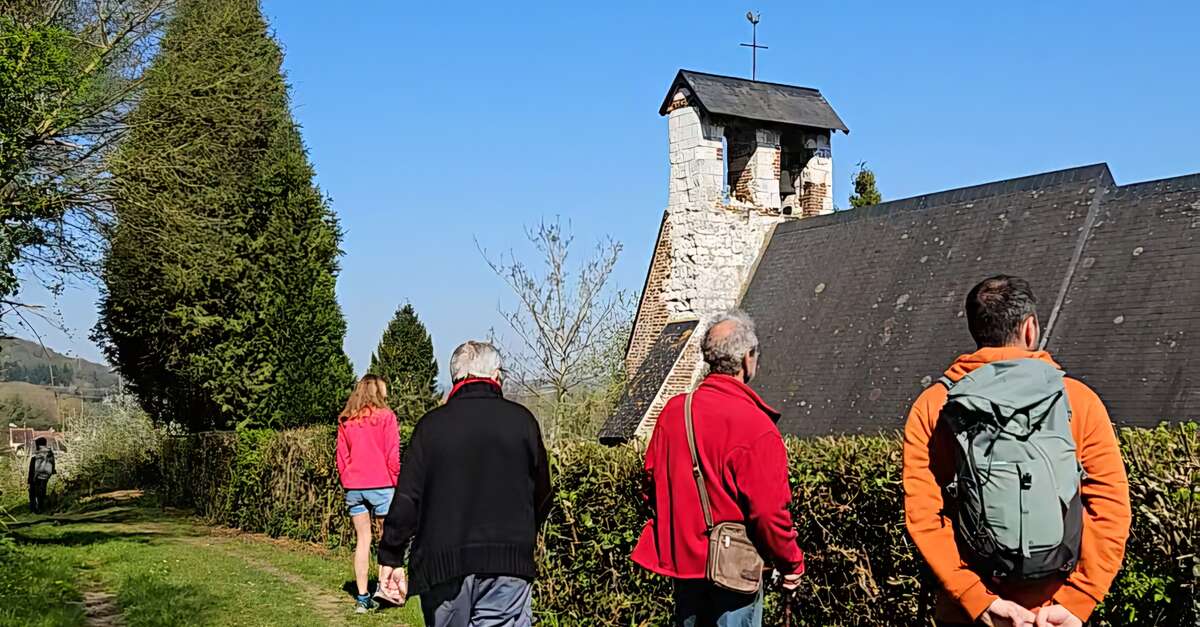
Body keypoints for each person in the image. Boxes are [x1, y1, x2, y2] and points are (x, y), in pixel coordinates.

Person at [903, 276, 1131, 627]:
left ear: (975, 329)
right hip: (1055, 612)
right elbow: (1110, 509)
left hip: (971, 615)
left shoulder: (933, 407)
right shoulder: (1078, 400)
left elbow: (924, 518)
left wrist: (976, 600)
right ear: (1030, 329)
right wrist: (1077, 600)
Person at [632, 310, 805, 627]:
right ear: (747, 359)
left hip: (684, 566)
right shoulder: (756, 426)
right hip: (734, 571)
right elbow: (769, 513)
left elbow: (651, 486)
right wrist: (792, 562)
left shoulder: (674, 412)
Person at [377, 341, 551, 627]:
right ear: (496, 376)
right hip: (508, 561)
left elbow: (408, 498)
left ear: (455, 378)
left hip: (443, 561)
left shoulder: (431, 427)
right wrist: (521, 535)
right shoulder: (523, 423)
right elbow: (543, 495)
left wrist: (391, 554)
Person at [336, 374, 402, 614]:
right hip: (382, 485)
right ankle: (387, 590)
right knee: (388, 541)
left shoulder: (346, 420)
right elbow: (393, 455)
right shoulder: (387, 417)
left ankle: (362, 598)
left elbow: (341, 458)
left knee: (363, 541)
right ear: (377, 392)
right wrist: (395, 482)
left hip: (354, 487)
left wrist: (347, 480)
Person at [27, 437, 56, 514]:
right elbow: (53, 465)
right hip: (46, 476)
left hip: (37, 476)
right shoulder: (50, 453)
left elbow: (37, 468)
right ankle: (40, 508)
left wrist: (32, 478)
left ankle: (34, 509)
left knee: (33, 493)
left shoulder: (38, 456)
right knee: (42, 492)